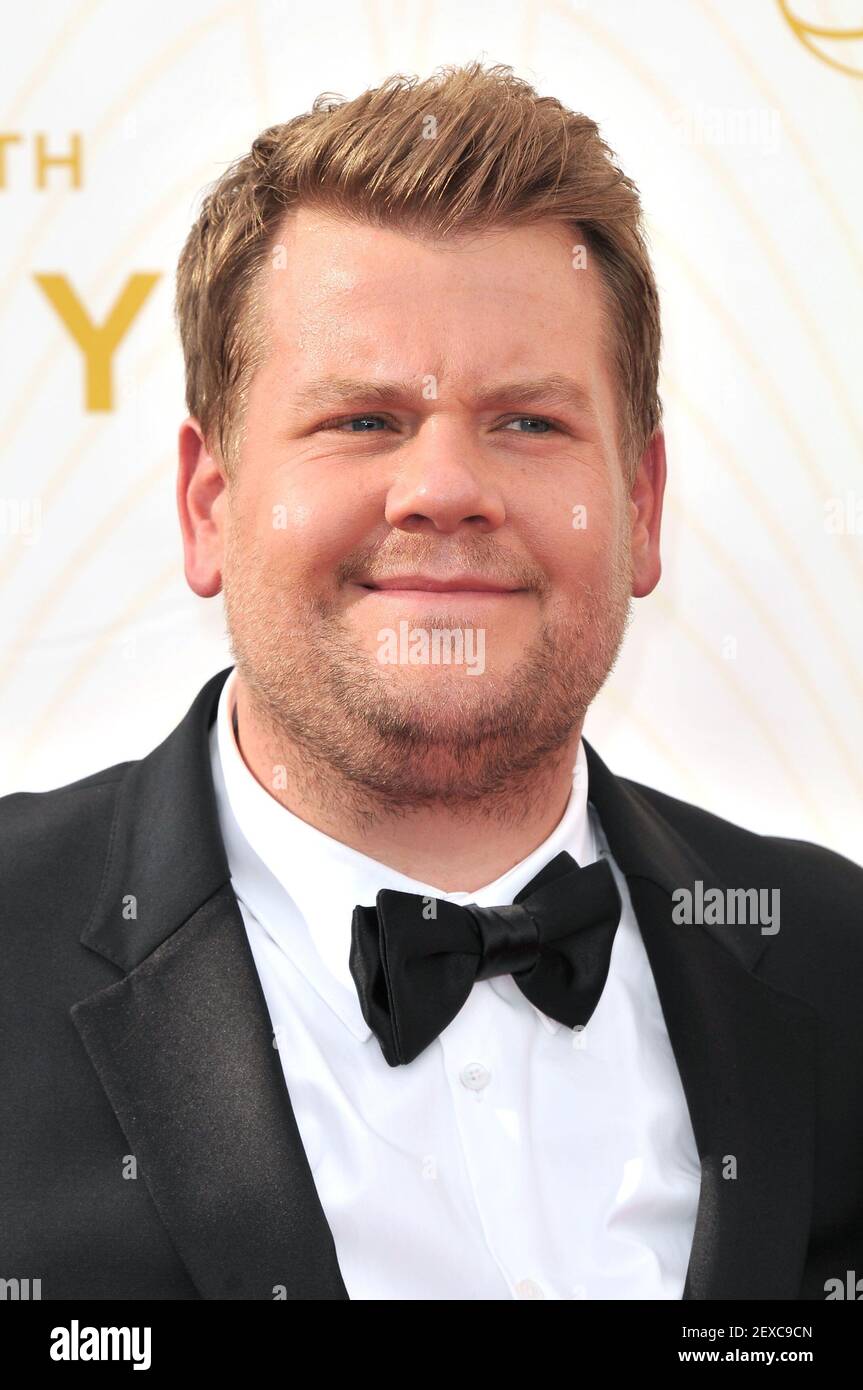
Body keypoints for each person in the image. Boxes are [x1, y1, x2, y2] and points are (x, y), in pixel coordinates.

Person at [2, 61, 861, 1302]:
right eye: (361, 420)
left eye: (527, 422)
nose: (445, 487)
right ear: (209, 506)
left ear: (639, 505)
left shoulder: (832, 966)